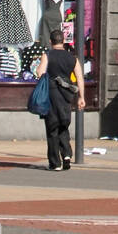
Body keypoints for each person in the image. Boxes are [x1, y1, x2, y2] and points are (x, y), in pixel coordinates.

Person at [35, 29, 85, 171]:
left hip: (51, 95)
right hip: (66, 95)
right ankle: (67, 155)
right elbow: (80, 78)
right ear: (63, 41)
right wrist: (81, 97)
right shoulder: (72, 58)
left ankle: (55, 162)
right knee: (64, 125)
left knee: (52, 128)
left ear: (51, 42)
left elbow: (40, 72)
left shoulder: (48, 55)